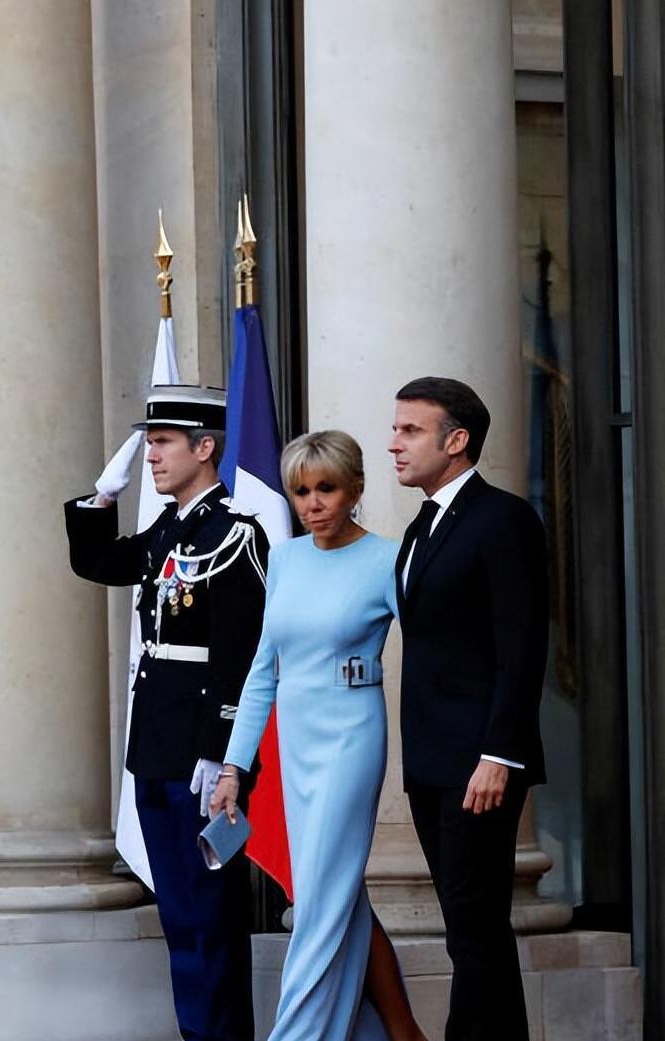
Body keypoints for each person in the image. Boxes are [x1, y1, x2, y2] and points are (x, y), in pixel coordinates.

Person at [64, 385, 268, 1041]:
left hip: (200, 755)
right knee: (180, 913)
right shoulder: (171, 528)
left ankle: (221, 1034)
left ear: (204, 448)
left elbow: (240, 655)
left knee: (208, 915)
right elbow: (100, 561)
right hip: (156, 746)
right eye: (148, 441)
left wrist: (222, 751)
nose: (150, 454)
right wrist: (100, 499)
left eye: (162, 441)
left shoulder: (235, 535)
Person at [212, 430, 426, 1041]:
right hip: (295, 743)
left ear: (355, 488)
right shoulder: (284, 559)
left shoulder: (389, 558)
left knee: (317, 907)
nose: (313, 503)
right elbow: (261, 671)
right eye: (301, 491)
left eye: (326, 488)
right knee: (333, 895)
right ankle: (389, 1031)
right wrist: (234, 769)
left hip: (350, 739)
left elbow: (437, 652)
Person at [389, 377, 548, 1041]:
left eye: (410, 431)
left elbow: (523, 644)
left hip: (479, 761)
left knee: (475, 925)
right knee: (470, 926)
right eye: (395, 427)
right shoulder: (424, 521)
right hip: (431, 759)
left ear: (457, 441)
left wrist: (499, 753)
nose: (394, 442)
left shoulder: (502, 518)